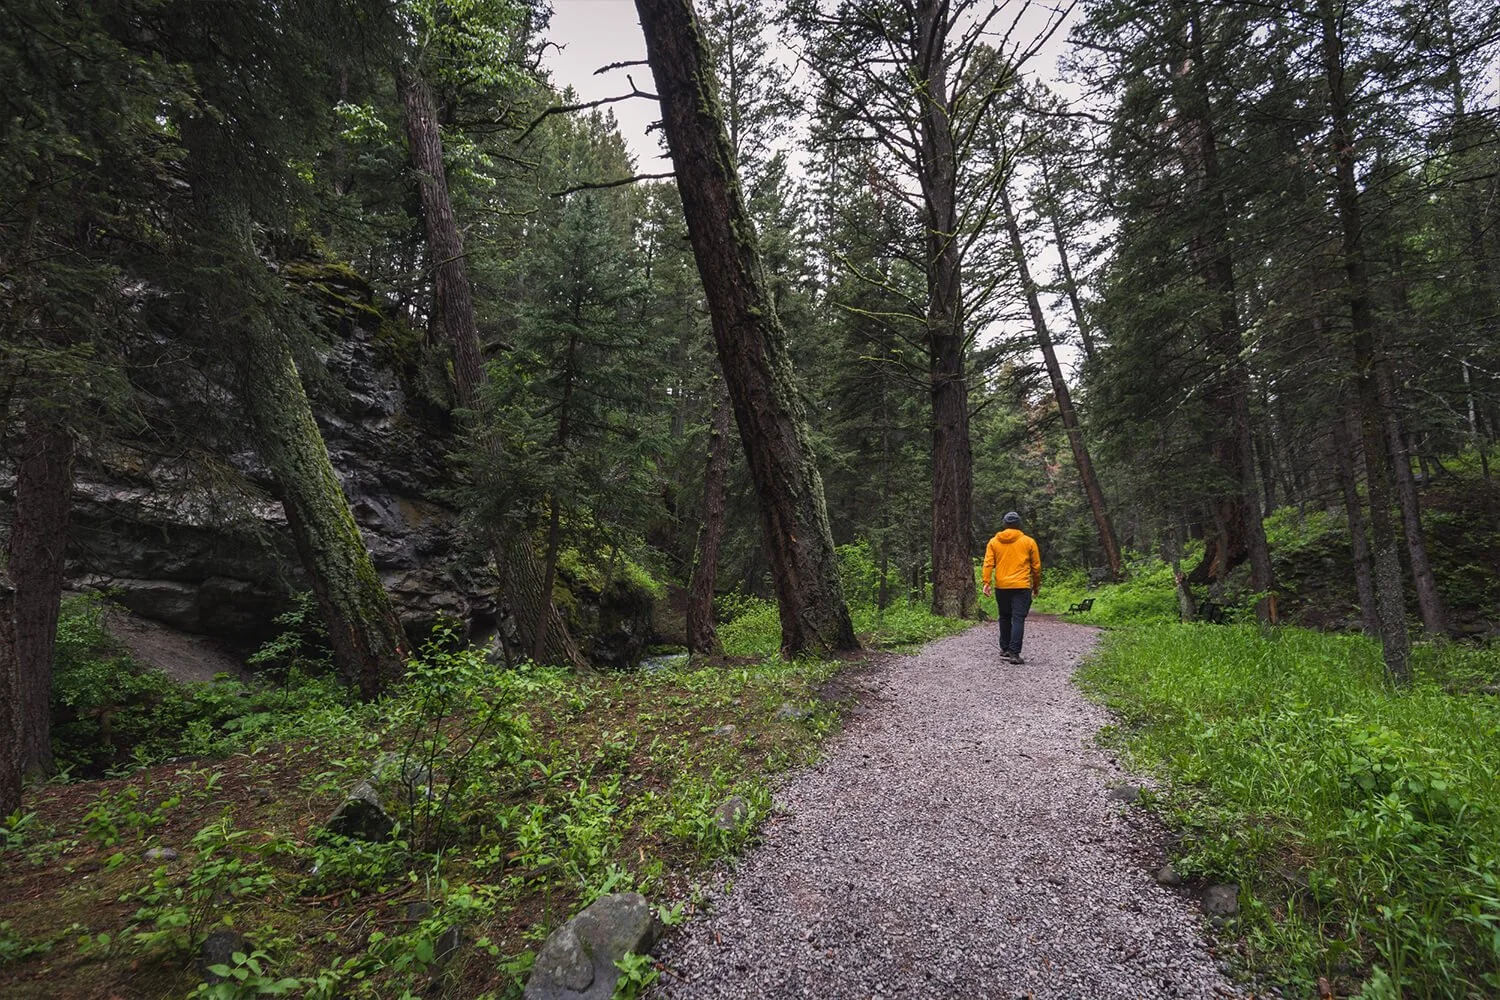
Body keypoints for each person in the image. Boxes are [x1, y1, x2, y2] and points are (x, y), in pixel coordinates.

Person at [981, 511, 1041, 664]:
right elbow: (1036, 567)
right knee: (1018, 618)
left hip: (1002, 586)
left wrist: (986, 582)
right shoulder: (1028, 542)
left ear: (1004, 524)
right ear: (1019, 525)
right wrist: (1036, 585)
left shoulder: (994, 542)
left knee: (1005, 616)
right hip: (1022, 586)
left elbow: (988, 563)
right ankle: (1014, 653)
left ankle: (1005, 648)